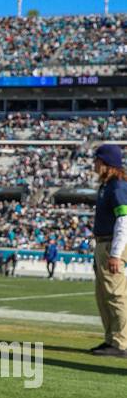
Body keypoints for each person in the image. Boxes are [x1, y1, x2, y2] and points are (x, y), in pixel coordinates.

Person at [89, 144, 127, 359]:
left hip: (112, 244)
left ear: (106, 163)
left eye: (97, 160)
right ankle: (111, 338)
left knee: (115, 294)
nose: (94, 164)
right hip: (103, 243)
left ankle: (121, 342)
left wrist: (115, 254)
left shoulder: (117, 187)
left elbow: (124, 220)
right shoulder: (107, 186)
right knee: (103, 295)